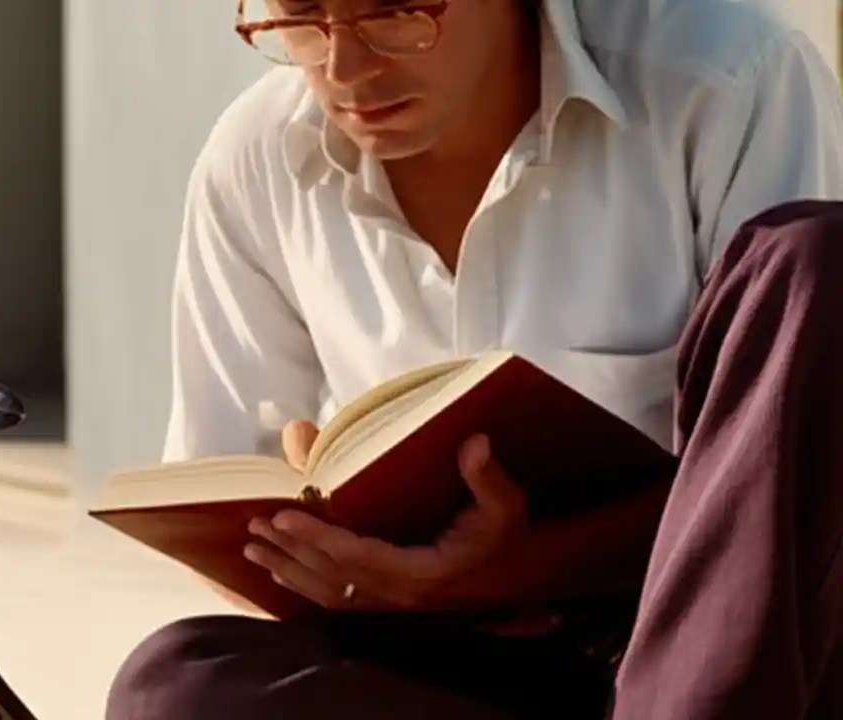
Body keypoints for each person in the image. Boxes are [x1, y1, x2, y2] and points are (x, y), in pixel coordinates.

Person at [105, 0, 843, 718]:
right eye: (299, 14)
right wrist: (344, 568)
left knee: (815, 259)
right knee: (174, 687)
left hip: (698, 639)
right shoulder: (258, 155)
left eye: (395, 10)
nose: (344, 65)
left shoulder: (726, 75)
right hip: (440, 646)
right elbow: (227, 499)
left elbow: (793, 487)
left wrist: (529, 564)